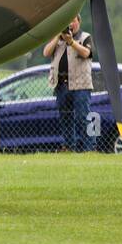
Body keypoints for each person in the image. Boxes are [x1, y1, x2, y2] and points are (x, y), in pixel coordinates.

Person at [43, 14, 94, 152]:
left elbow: (86, 53)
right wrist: (58, 36)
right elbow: (46, 53)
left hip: (80, 85)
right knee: (65, 118)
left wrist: (71, 42)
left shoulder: (85, 37)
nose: (70, 24)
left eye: (73, 21)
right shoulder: (58, 39)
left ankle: (90, 148)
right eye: (67, 21)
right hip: (61, 85)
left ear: (79, 21)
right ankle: (70, 147)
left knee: (83, 117)